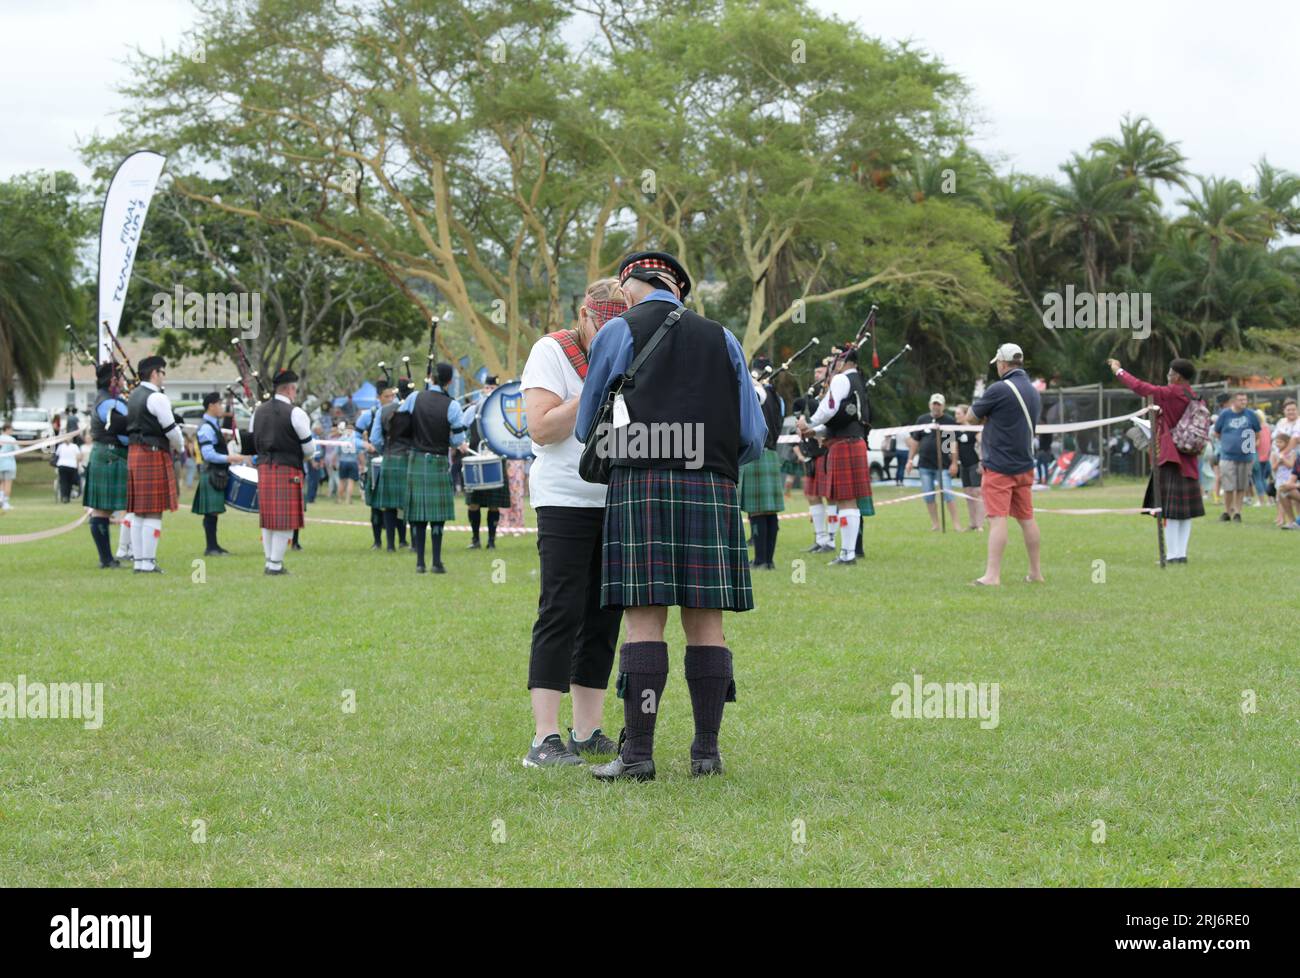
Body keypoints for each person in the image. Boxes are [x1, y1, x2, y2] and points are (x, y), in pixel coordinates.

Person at [576, 250, 765, 781]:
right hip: (711, 485)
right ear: (678, 289)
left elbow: (586, 425)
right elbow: (752, 437)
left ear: (628, 285)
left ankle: (638, 755)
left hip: (641, 481)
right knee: (706, 619)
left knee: (643, 618)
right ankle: (705, 754)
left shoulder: (619, 333)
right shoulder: (723, 337)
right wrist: (708, 460)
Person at [519, 276, 628, 767]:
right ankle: (544, 738)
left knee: (605, 616)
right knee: (561, 609)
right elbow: (540, 429)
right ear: (582, 316)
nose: (608, 335)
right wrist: (595, 389)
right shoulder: (551, 351)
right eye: (601, 326)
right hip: (564, 497)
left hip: (616, 496)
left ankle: (587, 730)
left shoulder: (631, 348)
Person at [1109, 357, 1206, 562]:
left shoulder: (1171, 392)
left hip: (1172, 457)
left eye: (1170, 373)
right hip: (1189, 458)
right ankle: (1181, 554)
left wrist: (1118, 370)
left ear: (1177, 376)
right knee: (1184, 512)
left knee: (1170, 511)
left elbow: (1140, 387)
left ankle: (1171, 555)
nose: (1168, 376)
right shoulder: (1194, 395)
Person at [971, 343, 1043, 585]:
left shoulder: (998, 389)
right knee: (1027, 519)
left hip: (1000, 465)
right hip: (1024, 463)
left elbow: (971, 416)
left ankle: (992, 575)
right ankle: (1035, 572)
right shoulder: (1033, 391)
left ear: (1002, 363)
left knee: (997, 518)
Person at [798, 346, 872, 564]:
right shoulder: (859, 381)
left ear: (843, 361)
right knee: (848, 502)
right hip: (854, 441)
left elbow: (829, 408)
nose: (832, 364)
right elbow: (844, 417)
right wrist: (817, 431)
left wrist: (809, 423)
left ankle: (848, 554)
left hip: (843, 445)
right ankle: (847, 552)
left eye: (835, 360)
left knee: (846, 501)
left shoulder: (841, 380)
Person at [398, 364, 464, 573]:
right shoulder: (452, 406)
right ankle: (436, 562)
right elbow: (458, 439)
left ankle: (419, 563)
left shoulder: (414, 398)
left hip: (416, 459)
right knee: (437, 516)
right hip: (438, 461)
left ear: (431, 378)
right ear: (450, 382)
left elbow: (400, 424)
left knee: (418, 515)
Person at [250, 370, 316, 575]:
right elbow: (310, 449)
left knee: (269, 519)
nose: (295, 393)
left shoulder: (258, 412)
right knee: (284, 520)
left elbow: (252, 441)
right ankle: (275, 565)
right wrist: (302, 458)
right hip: (287, 468)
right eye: (294, 389)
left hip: (264, 468)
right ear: (289, 389)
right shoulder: (295, 413)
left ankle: (270, 562)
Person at [124, 356, 184, 573]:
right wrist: (181, 445)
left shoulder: (133, 396)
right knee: (153, 511)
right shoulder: (157, 398)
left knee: (139, 512)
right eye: (163, 372)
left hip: (135, 453)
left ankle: (140, 561)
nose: (163, 377)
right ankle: (148, 562)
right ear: (154, 373)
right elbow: (171, 429)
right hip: (152, 452)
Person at [738, 356, 785, 570]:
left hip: (758, 454)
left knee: (757, 511)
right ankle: (768, 560)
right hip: (772, 453)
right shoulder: (778, 398)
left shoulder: (760, 393)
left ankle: (760, 560)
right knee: (769, 511)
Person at [83, 363, 130, 565]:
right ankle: (106, 558)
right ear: (113, 380)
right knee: (102, 509)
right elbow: (123, 429)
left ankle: (109, 557)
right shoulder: (107, 403)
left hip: (111, 455)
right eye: (121, 377)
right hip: (109, 456)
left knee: (104, 509)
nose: (123, 381)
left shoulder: (111, 399)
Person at [192, 392, 249, 556]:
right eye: (219, 404)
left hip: (217, 473)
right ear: (211, 406)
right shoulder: (205, 428)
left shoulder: (213, 425)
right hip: (211, 472)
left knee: (214, 511)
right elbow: (208, 454)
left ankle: (214, 545)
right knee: (211, 511)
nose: (222, 407)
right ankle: (210, 547)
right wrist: (230, 458)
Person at [463, 376, 511, 549]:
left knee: (494, 504)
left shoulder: (501, 410)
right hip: (476, 459)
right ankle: (475, 539)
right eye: (488, 386)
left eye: (493, 387)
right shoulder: (472, 409)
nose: (490, 389)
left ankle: (491, 541)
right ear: (483, 389)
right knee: (473, 503)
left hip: (496, 460)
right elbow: (462, 430)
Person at [907, 393, 963, 532]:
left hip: (943, 466)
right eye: (934, 403)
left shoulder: (948, 421)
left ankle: (956, 524)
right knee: (928, 496)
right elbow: (915, 441)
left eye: (938, 404)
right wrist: (910, 460)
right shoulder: (923, 419)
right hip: (924, 466)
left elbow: (951, 444)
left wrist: (954, 463)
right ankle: (935, 524)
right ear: (930, 405)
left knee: (948, 495)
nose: (936, 406)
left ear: (943, 406)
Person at [371, 381, 412, 551]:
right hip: (408, 459)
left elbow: (375, 439)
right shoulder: (412, 410)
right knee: (409, 503)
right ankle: (413, 543)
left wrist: (385, 450)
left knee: (389, 505)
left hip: (389, 458)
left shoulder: (383, 411)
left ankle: (389, 546)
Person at [1213, 392, 1260, 523]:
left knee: (1241, 486)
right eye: (1240, 400)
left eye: (1245, 400)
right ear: (1233, 401)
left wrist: (1248, 447)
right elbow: (1217, 432)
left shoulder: (1251, 415)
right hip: (1227, 456)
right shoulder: (1225, 415)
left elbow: (1257, 433)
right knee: (1228, 485)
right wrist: (1229, 443)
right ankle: (1227, 511)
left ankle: (1237, 512)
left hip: (1245, 457)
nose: (1243, 402)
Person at [953, 404, 985, 532]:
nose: (956, 416)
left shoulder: (974, 429)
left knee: (977, 493)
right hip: (964, 465)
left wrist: (982, 462)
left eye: (958, 413)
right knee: (967, 494)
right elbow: (950, 447)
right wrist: (952, 462)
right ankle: (972, 523)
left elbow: (982, 444)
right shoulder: (954, 430)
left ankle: (980, 524)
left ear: (966, 414)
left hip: (974, 464)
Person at [1269, 430, 1298, 528]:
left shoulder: (1292, 453)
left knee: (1291, 494)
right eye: (1276, 442)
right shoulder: (1275, 453)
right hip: (1283, 479)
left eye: (1280, 442)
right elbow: (1273, 468)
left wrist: (1283, 460)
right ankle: (1290, 521)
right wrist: (1289, 484)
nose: (1278, 444)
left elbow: (1291, 466)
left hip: (1292, 481)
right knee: (1281, 493)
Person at [55, 436, 81, 502]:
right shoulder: (62, 446)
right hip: (66, 465)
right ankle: (65, 496)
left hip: (70, 465)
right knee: (65, 482)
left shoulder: (73, 446)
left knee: (66, 482)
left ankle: (66, 496)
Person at [0, 422, 17, 512]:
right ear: (7, 429)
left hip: (0, 464)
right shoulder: (12, 439)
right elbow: (17, 451)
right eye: (11, 430)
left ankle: (1, 501)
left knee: (2, 483)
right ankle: (5, 503)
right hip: (9, 464)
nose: (12, 431)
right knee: (8, 484)